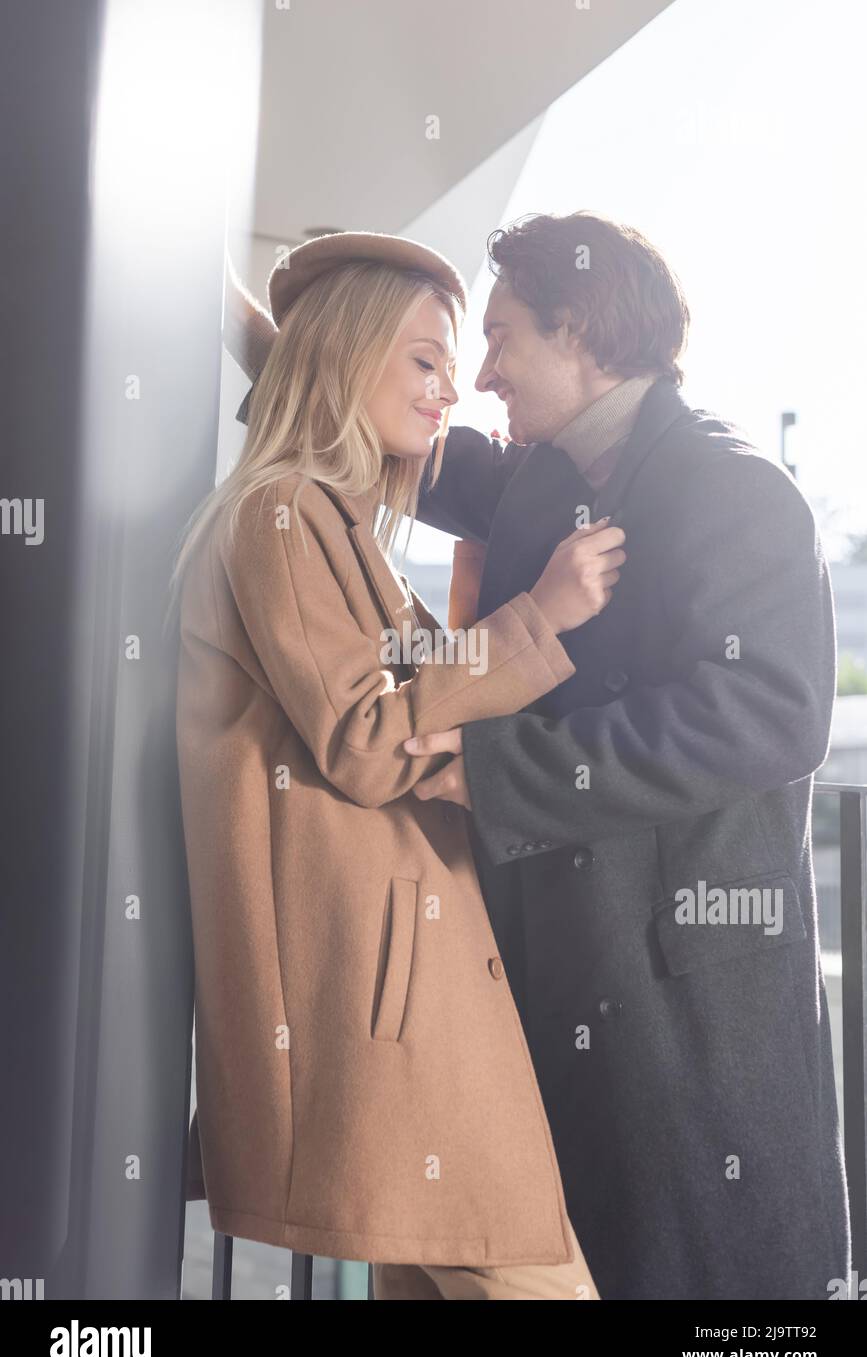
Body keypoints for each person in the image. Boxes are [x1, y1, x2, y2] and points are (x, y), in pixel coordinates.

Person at [227, 213, 851, 1300]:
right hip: (556, 979)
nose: (480, 374)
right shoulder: (542, 478)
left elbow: (771, 714)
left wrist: (497, 768)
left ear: (583, 335)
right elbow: (353, 395)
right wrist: (195, 279)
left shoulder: (736, 488)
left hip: (680, 1008)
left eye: (505, 336)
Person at [171, 231, 628, 1299]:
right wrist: (541, 615)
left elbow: (417, 671)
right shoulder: (283, 514)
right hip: (387, 1016)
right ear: (344, 358)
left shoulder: (324, 520)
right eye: (426, 361)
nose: (451, 391)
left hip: (397, 1001)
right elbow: (371, 741)